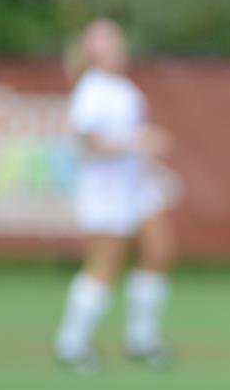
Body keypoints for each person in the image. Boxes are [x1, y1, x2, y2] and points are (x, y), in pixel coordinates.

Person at [53, 18, 177, 371]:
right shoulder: (91, 90)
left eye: (117, 42)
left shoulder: (123, 89)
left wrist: (143, 148)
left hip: (136, 186)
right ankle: (72, 343)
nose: (117, 50)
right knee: (104, 266)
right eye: (107, 44)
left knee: (159, 251)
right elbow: (89, 145)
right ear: (92, 52)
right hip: (105, 190)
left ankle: (143, 338)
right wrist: (139, 141)